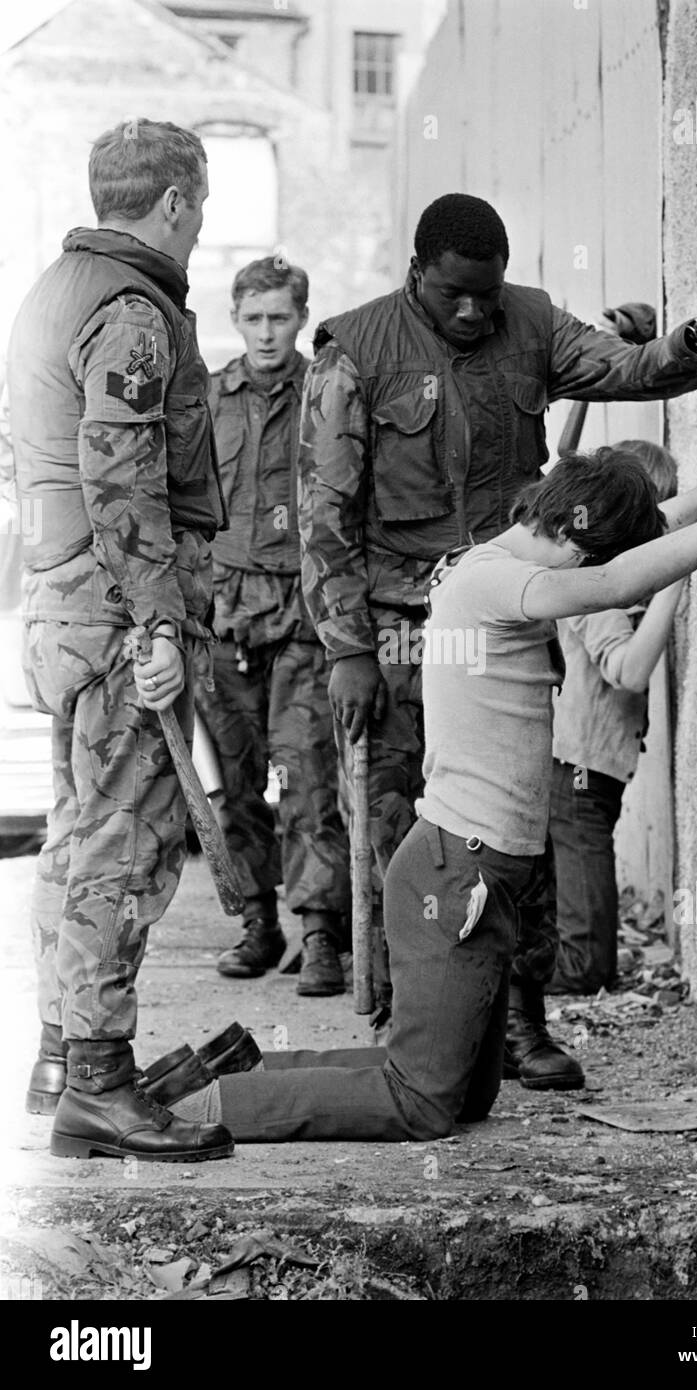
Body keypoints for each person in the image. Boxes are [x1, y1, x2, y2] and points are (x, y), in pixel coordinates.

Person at [166, 408, 697, 1143]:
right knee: (421, 1103)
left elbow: (623, 541)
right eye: (586, 552)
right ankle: (196, 1111)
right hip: (456, 876)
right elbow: (612, 579)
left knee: (467, 1091)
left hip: (479, 872)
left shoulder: (502, 562)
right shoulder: (502, 585)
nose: (585, 570)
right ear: (571, 525)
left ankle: (225, 1072)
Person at [298, 191, 697, 1084]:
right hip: (399, 630)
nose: (472, 311)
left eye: (486, 296)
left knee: (516, 826)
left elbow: (630, 369)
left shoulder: (531, 322)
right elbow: (322, 517)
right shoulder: (354, 354)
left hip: (503, 613)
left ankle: (520, 1020)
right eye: (454, 294)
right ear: (417, 272)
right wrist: (346, 649)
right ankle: (413, 1021)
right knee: (403, 829)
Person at [6, 118, 234, 1161]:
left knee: (74, 835)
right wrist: (159, 619)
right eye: (202, 204)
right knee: (120, 846)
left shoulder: (54, 290)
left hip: (60, 603)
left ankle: (62, 1052)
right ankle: (99, 1079)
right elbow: (120, 474)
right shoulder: (134, 311)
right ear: (178, 202)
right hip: (114, 609)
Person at [548, 401, 697, 994]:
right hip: (577, 761)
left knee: (580, 874)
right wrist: (674, 576)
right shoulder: (596, 591)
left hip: (595, 759)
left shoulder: (604, 578)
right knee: (583, 894)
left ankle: (577, 966)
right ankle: (579, 973)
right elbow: (630, 673)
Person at [195, 259, 351, 995]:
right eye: (253, 318)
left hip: (300, 612)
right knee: (235, 781)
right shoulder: (205, 400)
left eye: (279, 317)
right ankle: (259, 924)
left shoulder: (326, 392)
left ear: (300, 317)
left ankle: (320, 932)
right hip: (222, 615)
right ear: (235, 319)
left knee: (307, 778)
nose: (266, 332)